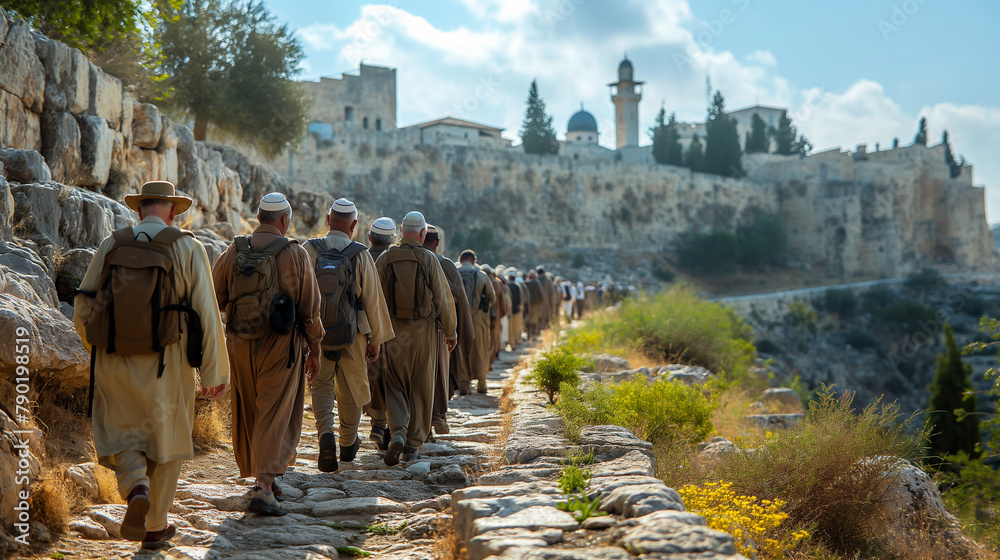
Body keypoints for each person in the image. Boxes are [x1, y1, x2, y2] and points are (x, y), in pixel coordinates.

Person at [74, 181, 230, 548]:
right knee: (164, 442)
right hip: (167, 365)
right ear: (173, 212)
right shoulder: (188, 247)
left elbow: (83, 305)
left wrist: (99, 345)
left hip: (113, 362)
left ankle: (134, 485)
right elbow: (207, 314)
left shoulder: (113, 243)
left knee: (121, 432)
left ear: (139, 210)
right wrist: (214, 372)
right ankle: (155, 525)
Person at [212, 192, 323, 515]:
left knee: (249, 409)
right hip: (281, 346)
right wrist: (314, 348)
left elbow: (214, 295)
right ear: (285, 220)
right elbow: (310, 309)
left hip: (239, 343)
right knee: (275, 412)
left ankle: (264, 477)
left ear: (259, 217)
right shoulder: (295, 254)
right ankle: (263, 485)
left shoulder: (235, 249)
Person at [305, 199, 394, 472]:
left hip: (316, 334)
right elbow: (372, 300)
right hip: (353, 334)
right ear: (354, 225)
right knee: (353, 389)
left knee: (321, 385)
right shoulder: (361, 254)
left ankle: (325, 435)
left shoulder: (309, 249)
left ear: (328, 219)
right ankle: (346, 442)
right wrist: (376, 340)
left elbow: (300, 293)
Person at [374, 212, 457, 465]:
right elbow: (443, 299)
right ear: (422, 234)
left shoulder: (385, 257)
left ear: (400, 230)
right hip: (424, 334)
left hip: (391, 333)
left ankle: (397, 431)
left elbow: (374, 298)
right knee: (422, 388)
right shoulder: (429, 259)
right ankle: (412, 445)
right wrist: (450, 331)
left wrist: (374, 335)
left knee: (394, 385)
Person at [423, 225, 474, 435]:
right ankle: (437, 414)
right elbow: (460, 301)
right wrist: (462, 334)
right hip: (441, 331)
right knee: (440, 374)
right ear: (437, 242)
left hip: (404, 332)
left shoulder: (400, 258)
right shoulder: (445, 265)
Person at [362, 217, 397, 449]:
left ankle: (376, 422)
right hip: (395, 330)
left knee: (370, 375)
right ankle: (390, 427)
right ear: (393, 239)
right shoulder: (397, 259)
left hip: (364, 328)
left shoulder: (361, 256)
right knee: (392, 377)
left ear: (369, 237)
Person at [457, 250, 495, 394]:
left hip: (458, 319)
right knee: (479, 350)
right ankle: (482, 383)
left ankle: (463, 385)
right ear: (474, 260)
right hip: (478, 320)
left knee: (461, 351)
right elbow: (492, 298)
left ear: (461, 260)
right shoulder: (481, 274)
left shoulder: (453, 272)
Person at [506, 268, 525, 349]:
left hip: (509, 310)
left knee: (510, 328)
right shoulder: (518, 286)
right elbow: (521, 299)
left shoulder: (506, 285)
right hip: (517, 309)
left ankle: (512, 344)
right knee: (516, 327)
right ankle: (516, 341)